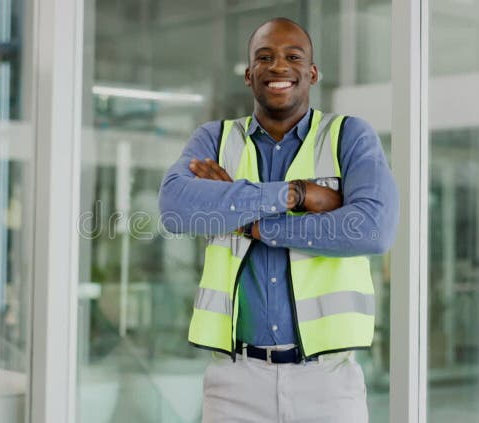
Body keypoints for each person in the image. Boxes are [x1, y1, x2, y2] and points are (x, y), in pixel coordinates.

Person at [159, 17, 399, 422]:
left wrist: (249, 221)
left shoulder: (349, 137)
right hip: (234, 381)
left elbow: (372, 229)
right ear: (250, 75)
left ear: (313, 72)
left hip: (328, 382)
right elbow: (175, 208)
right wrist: (297, 194)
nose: (278, 67)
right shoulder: (213, 140)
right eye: (264, 58)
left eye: (293, 56)